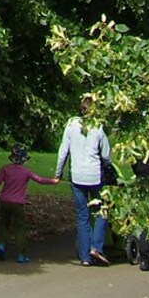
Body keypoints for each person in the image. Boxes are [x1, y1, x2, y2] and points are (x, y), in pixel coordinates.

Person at [54, 96, 113, 265]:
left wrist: (58, 173)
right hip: (94, 176)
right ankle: (96, 247)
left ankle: (85, 257)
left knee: (82, 216)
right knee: (102, 211)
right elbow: (106, 154)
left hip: (77, 175)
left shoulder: (71, 125)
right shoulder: (98, 126)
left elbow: (63, 151)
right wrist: (107, 166)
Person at [0, 144, 58, 263]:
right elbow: (39, 180)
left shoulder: (6, 169)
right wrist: (52, 181)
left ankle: (1, 246)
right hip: (18, 204)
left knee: (4, 225)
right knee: (20, 229)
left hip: (4, 201)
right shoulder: (26, 172)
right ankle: (21, 255)